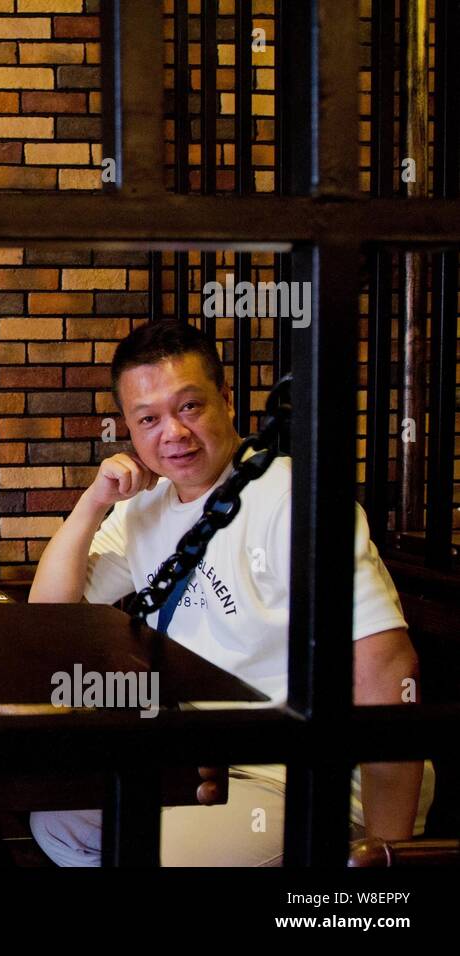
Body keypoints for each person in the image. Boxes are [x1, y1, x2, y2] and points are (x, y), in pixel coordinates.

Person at [27, 320, 432, 866]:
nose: (172, 432)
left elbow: (385, 668)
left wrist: (388, 858)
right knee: (56, 821)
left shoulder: (294, 498)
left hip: (296, 774)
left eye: (189, 406)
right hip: (195, 764)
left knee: (157, 857)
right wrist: (93, 503)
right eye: (148, 419)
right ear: (128, 428)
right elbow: (48, 617)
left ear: (225, 399)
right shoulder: (144, 510)